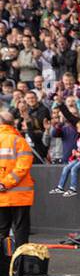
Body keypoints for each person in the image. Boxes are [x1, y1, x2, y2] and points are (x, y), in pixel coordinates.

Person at [0, 110, 35, 261]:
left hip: (2, 196)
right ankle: (20, 267)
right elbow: (22, 168)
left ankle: (3, 267)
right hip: (20, 197)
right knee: (21, 232)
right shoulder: (20, 141)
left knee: (2, 232)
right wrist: (6, 183)